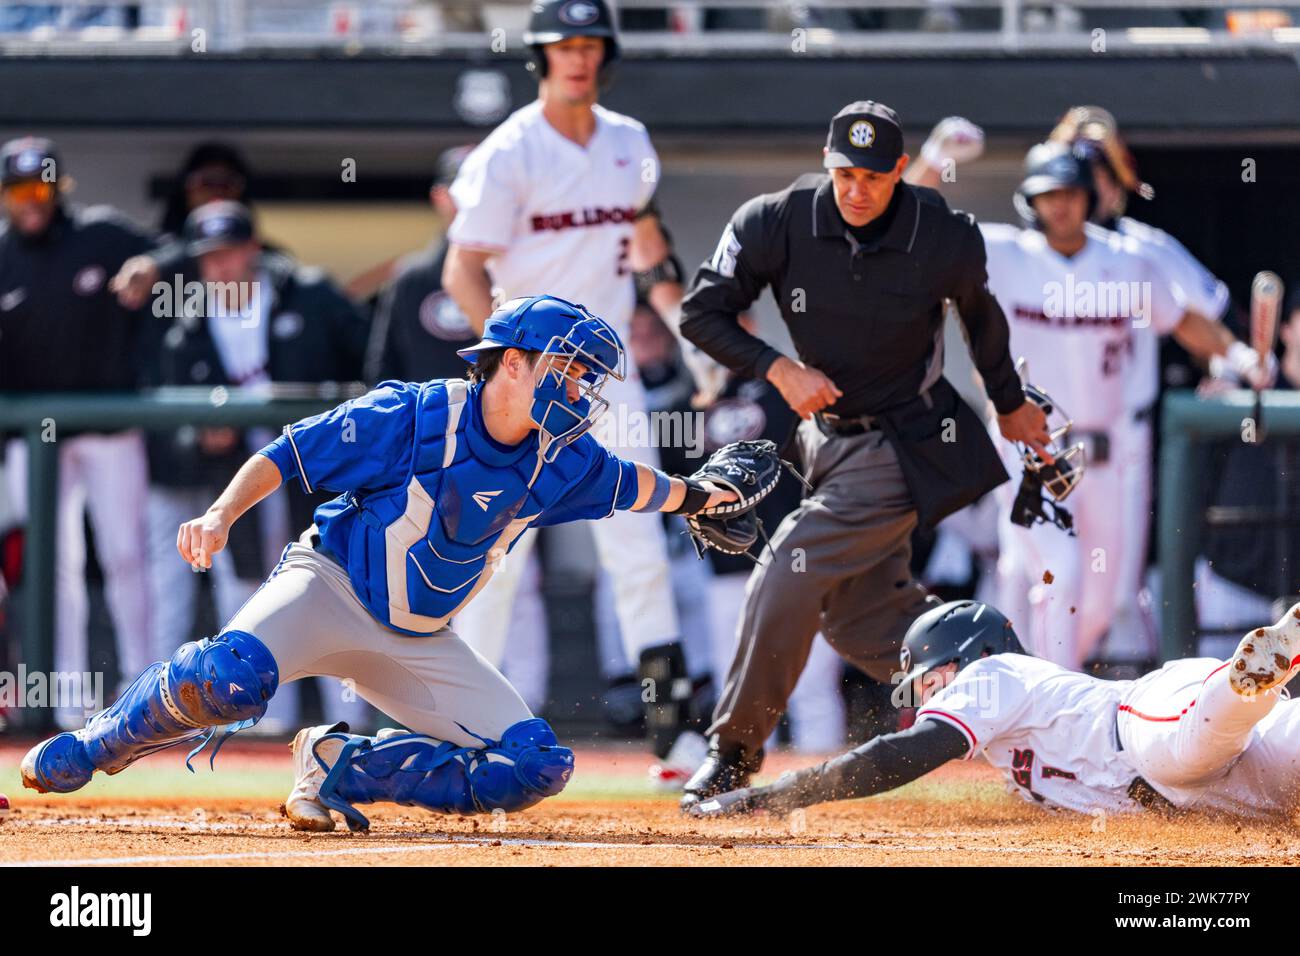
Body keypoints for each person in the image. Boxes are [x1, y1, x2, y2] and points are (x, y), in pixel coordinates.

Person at [20, 295, 743, 834]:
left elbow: (639, 486)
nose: (581, 390)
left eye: (587, 378)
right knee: (229, 679)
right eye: (569, 370)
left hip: (421, 636)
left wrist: (705, 496)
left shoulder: (564, 459)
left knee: (536, 767)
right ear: (512, 362)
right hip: (327, 587)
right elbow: (288, 454)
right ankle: (98, 741)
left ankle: (339, 765)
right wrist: (219, 515)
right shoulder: (417, 414)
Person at [676, 100, 1052, 807]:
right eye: (845, 173)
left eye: (874, 177)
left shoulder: (941, 232)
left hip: (903, 442)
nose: (857, 189)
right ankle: (1033, 715)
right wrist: (776, 367)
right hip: (826, 442)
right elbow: (702, 311)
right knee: (869, 625)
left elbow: (981, 318)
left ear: (901, 172)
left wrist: (1008, 404)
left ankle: (732, 752)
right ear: (827, 165)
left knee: (786, 571)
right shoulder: (775, 219)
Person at [441, 0, 709, 758]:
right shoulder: (508, 150)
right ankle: (469, 729)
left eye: (591, 45)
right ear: (540, 58)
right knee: (495, 555)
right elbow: (461, 266)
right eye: (564, 46)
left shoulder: (630, 141)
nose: (579, 58)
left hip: (607, 380)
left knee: (639, 548)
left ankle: (669, 734)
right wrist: (504, 362)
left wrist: (694, 340)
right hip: (527, 383)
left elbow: (650, 246)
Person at [917, 141, 1266, 671]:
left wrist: (1237, 353)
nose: (1060, 205)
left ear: (1089, 196)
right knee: (1061, 573)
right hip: (1030, 446)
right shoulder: (1003, 252)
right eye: (1048, 193)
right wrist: (933, 155)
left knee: (1104, 603)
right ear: (1030, 199)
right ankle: (1050, 709)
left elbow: (1181, 318)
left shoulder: (1127, 259)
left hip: (1108, 454)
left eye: (1071, 193)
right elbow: (914, 224)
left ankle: (1036, 691)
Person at [691, 598, 1300, 823]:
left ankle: (1252, 674)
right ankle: (1256, 686)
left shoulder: (994, 674)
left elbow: (905, 753)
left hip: (1143, 723)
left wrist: (775, 796)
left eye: (926, 680)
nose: (923, 696)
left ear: (959, 660)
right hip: (1218, 795)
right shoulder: (1011, 755)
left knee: (1187, 744)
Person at [141, 199, 372, 731]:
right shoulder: (189, 324)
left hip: (317, 474)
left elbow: (369, 366)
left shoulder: (308, 294)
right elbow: (170, 421)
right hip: (241, 478)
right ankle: (260, 727)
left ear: (253, 249)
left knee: (333, 587)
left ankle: (348, 726)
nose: (221, 266)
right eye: (210, 257)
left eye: (230, 252)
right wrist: (202, 437)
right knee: (246, 593)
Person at [365, 148, 551, 714]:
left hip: (510, 453)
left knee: (514, 582)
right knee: (414, 583)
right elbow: (381, 379)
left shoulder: (524, 279)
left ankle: (518, 712)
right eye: (462, 194)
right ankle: (428, 714)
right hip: (430, 464)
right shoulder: (412, 280)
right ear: (441, 200)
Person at [0, 136, 157, 728]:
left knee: (123, 555)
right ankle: (64, 701)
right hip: (33, 439)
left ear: (58, 189)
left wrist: (152, 268)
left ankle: (145, 691)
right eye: (18, 192)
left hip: (109, 428)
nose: (29, 203)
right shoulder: (4, 256)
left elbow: (174, 250)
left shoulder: (103, 234)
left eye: (39, 189)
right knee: (51, 566)